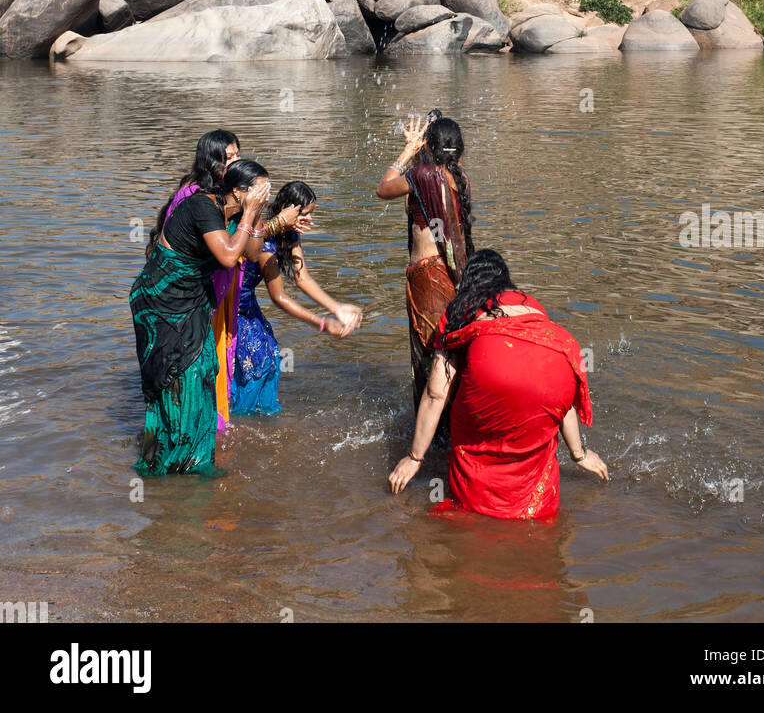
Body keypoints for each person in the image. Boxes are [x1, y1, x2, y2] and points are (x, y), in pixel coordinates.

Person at [388, 250, 609, 519]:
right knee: (535, 446)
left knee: (474, 448)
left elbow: (437, 393)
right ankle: (534, 517)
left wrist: (414, 457)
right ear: (505, 279)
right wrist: (579, 454)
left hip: (497, 371)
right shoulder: (531, 304)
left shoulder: (460, 309)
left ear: (468, 282)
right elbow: (554, 393)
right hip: (561, 368)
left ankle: (476, 519)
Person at [130, 159, 270, 475]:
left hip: (192, 303)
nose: (265, 195)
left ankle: (194, 461)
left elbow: (250, 253)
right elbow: (228, 257)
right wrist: (249, 212)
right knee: (171, 381)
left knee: (204, 372)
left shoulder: (236, 216)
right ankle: (157, 459)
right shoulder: (202, 206)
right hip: (161, 303)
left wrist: (256, 214)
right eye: (260, 190)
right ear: (238, 191)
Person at [230, 180, 363, 416]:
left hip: (248, 303)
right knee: (258, 363)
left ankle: (260, 419)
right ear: (287, 210)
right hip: (231, 306)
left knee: (271, 356)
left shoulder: (289, 234)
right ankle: (237, 419)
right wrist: (322, 324)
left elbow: (302, 279)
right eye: (305, 214)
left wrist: (337, 308)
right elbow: (278, 297)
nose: (309, 221)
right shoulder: (266, 240)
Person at [376, 113, 474, 411]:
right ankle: (450, 419)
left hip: (428, 276)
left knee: (430, 352)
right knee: (449, 349)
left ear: (428, 148)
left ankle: (429, 426)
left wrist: (407, 150)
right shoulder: (461, 179)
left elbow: (383, 189)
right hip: (455, 274)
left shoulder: (422, 176)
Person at [147, 129, 242, 434]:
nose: (236, 162)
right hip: (191, 293)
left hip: (216, 288)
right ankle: (189, 431)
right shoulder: (195, 195)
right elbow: (220, 251)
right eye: (229, 158)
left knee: (207, 362)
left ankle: (209, 426)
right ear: (212, 161)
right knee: (191, 365)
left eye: (239, 155)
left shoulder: (228, 191)